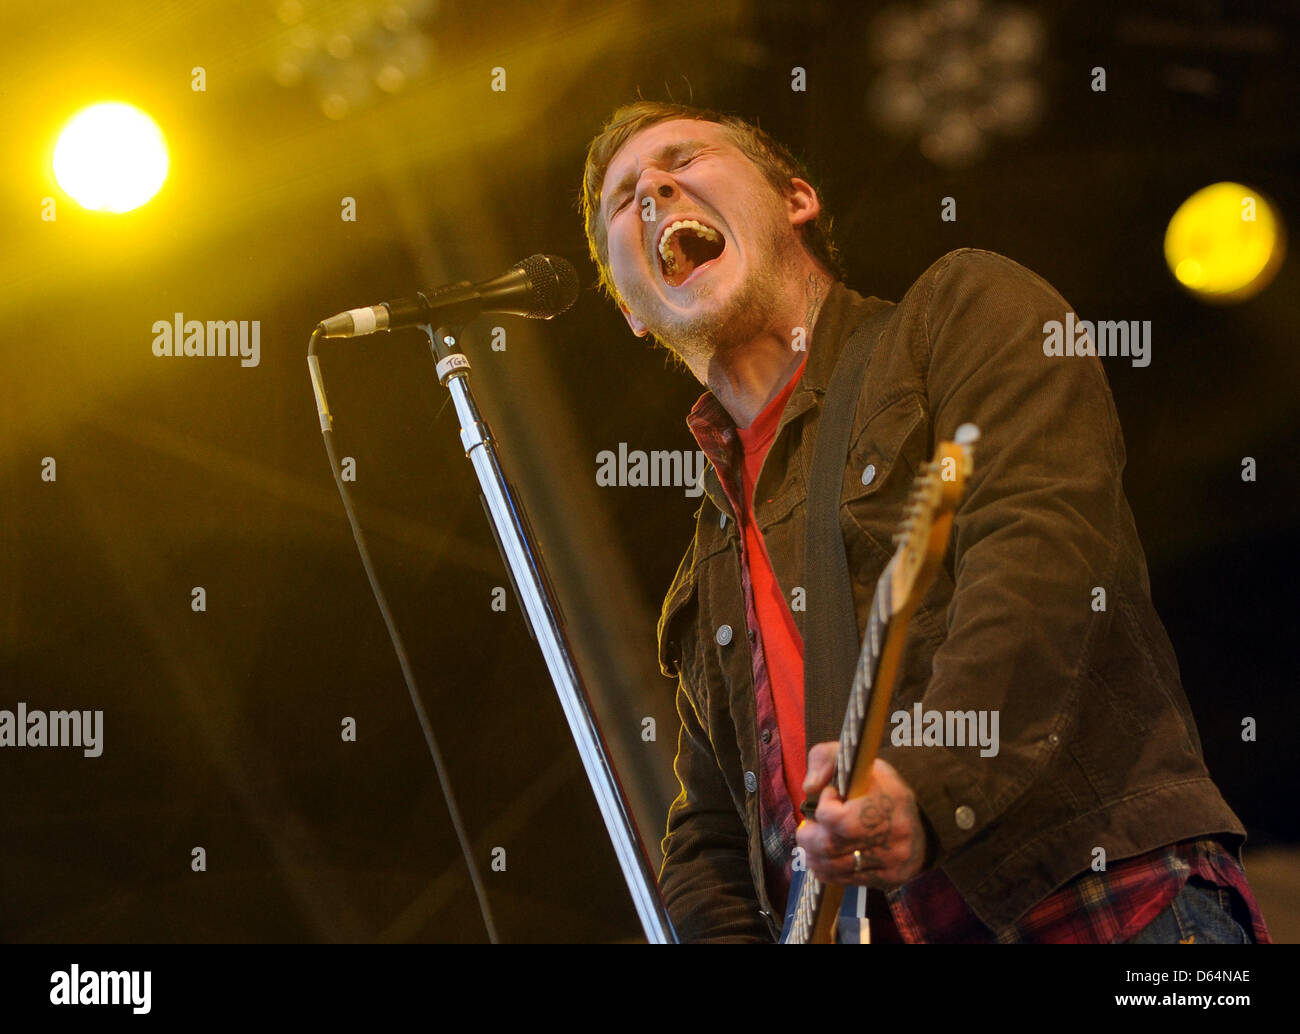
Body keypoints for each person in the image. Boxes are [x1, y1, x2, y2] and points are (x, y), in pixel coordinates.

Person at [580, 100, 1271, 944]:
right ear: (631, 310)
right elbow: (713, 834)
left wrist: (928, 783)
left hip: (1098, 907)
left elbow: (1038, 557)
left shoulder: (956, 313)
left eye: (683, 159)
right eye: (623, 201)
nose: (652, 189)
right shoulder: (708, 563)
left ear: (796, 199)